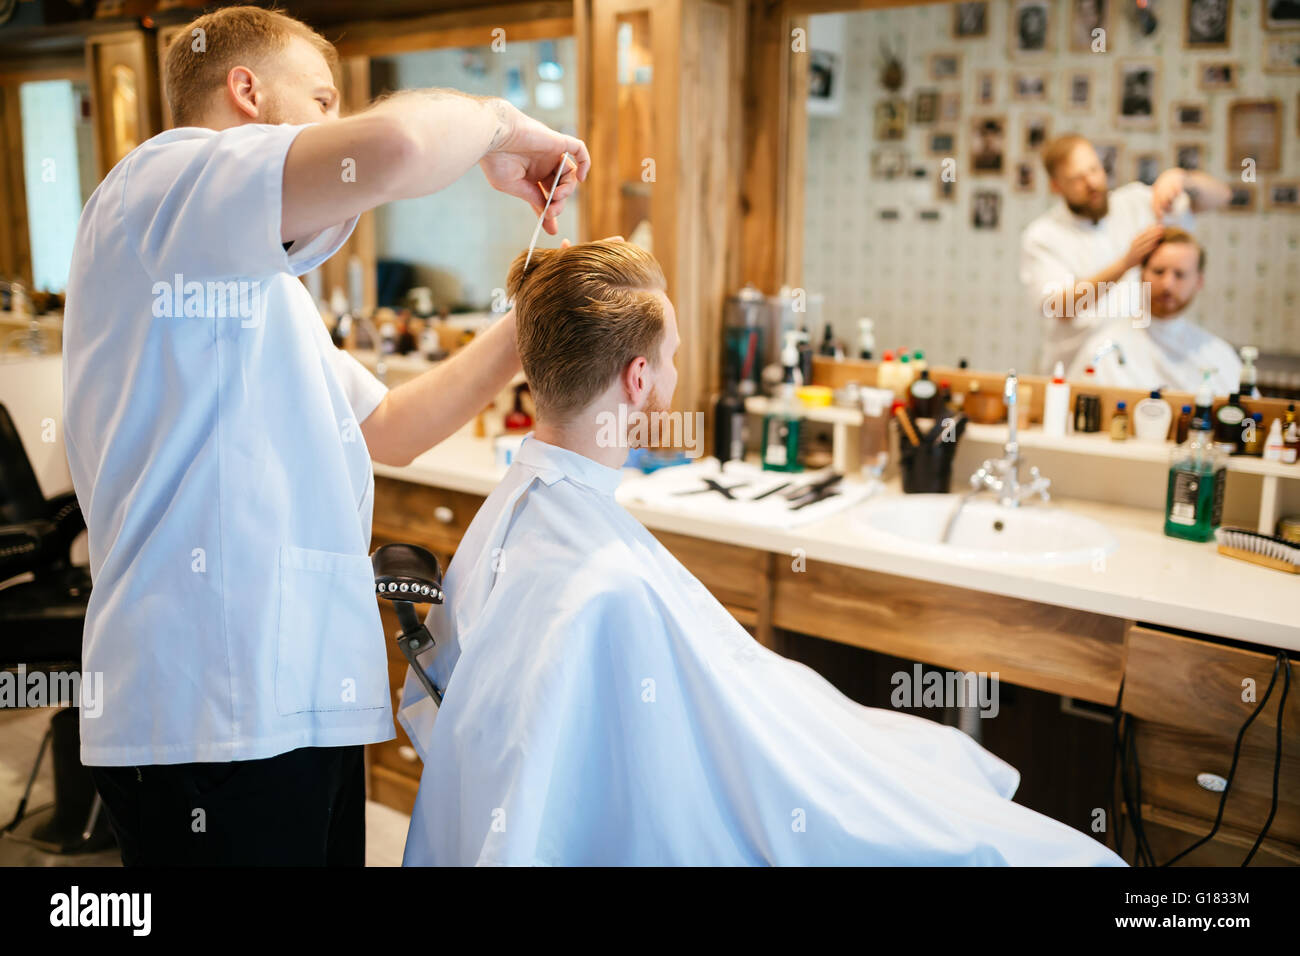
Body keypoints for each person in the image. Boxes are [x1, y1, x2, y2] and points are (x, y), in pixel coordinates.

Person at [397, 239, 1125, 866]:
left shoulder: (518, 505)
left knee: (912, 754)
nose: (677, 374)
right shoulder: (603, 583)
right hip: (780, 785)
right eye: (673, 357)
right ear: (639, 380)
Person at [61, 5, 589, 865]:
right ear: (246, 91)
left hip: (298, 702)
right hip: (212, 718)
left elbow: (392, 428)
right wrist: (504, 125)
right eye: (322, 98)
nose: (337, 124)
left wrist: (535, 319)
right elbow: (396, 151)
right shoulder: (162, 183)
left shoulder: (258, 284)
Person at [1020, 134, 1230, 374]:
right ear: (1056, 186)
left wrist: (1181, 179)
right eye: (1077, 178)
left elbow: (1222, 195)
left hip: (1138, 366)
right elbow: (1058, 307)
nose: (1092, 182)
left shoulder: (1136, 203)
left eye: (1094, 169)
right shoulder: (1043, 236)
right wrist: (1124, 265)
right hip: (1075, 370)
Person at [1067, 229, 1241, 395]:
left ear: (1199, 282)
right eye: (1158, 272)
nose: (1167, 284)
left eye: (1180, 274)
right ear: (1141, 275)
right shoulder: (1104, 349)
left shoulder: (1219, 355)